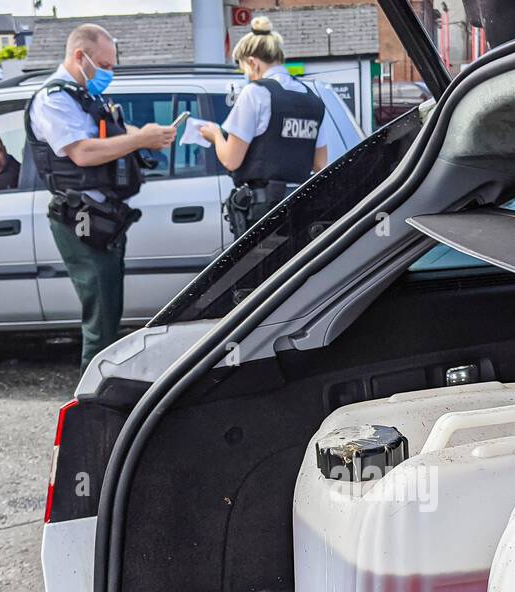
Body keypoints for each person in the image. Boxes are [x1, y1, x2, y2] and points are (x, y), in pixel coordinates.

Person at [24, 23, 176, 370]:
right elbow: (83, 153)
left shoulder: (83, 97)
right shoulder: (54, 100)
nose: (109, 72)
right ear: (80, 56)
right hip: (79, 217)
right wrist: (140, 140)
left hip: (102, 216)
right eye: (105, 65)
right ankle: (91, 402)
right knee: (100, 319)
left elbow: (112, 134)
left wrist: (148, 134)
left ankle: (106, 387)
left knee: (109, 312)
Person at [198, 17, 328, 237]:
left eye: (245, 70)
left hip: (263, 211)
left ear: (253, 62)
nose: (247, 76)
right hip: (302, 208)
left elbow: (231, 159)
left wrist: (215, 136)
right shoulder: (313, 98)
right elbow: (320, 165)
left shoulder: (256, 93)